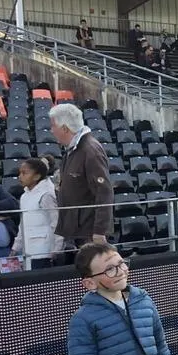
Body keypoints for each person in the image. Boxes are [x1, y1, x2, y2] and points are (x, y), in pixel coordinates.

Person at [51, 102, 114, 248]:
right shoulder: (73, 149)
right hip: (77, 230)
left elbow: (104, 192)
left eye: (53, 126)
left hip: (89, 233)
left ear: (64, 128)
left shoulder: (90, 150)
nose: (51, 130)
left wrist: (99, 231)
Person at [11, 157, 63, 269]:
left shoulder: (46, 195)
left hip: (44, 250)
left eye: (24, 173)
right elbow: (23, 224)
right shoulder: (24, 196)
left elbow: (56, 222)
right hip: (28, 250)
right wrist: (16, 247)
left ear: (37, 176)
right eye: (19, 173)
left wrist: (57, 248)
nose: (20, 176)